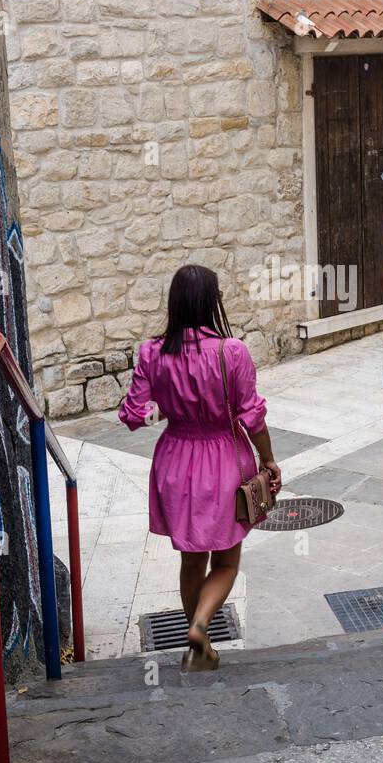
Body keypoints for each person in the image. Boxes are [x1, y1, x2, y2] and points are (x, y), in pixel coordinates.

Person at [118, 264, 281, 671]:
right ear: (213, 302)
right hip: (224, 459)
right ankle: (201, 625)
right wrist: (268, 459)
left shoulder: (152, 353)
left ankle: (199, 643)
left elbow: (133, 415)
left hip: (175, 459)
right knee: (225, 562)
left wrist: (167, 406)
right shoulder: (232, 352)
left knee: (191, 559)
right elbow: (251, 417)